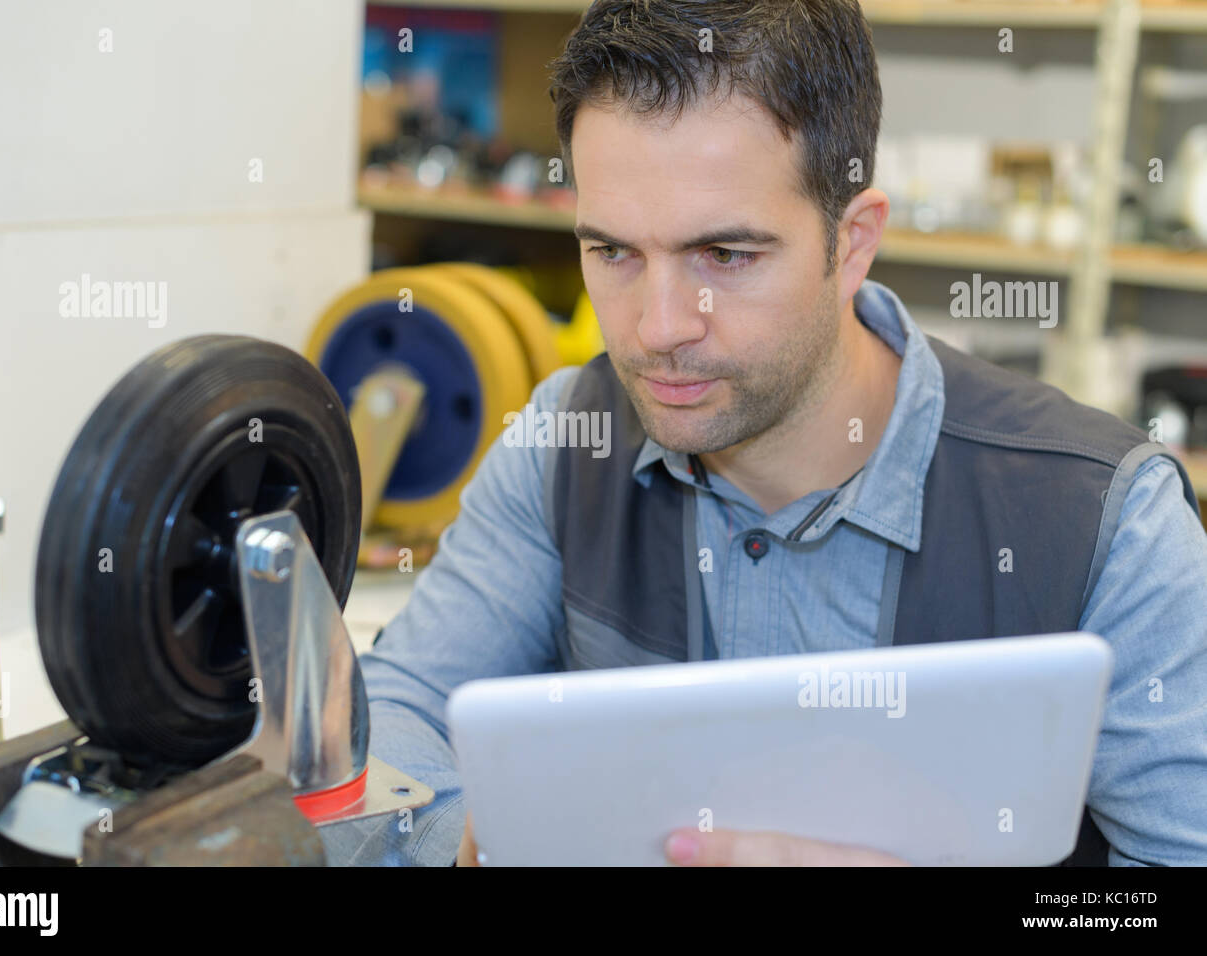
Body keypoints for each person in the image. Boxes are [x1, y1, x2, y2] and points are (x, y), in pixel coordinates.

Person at [323, 0, 1207, 866]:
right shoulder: (567, 438)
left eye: (726, 257)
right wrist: (462, 845)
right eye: (615, 253)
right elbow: (396, 713)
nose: (658, 326)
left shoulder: (1106, 521)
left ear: (853, 241)